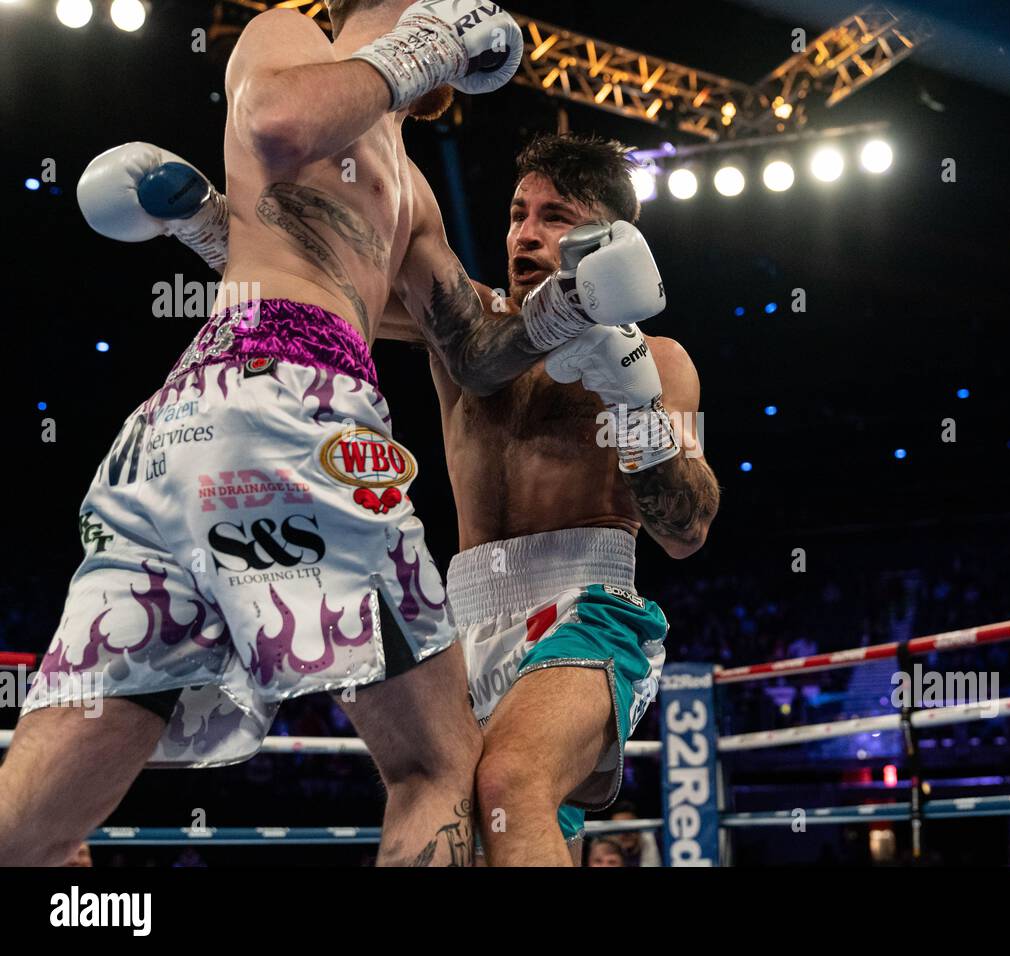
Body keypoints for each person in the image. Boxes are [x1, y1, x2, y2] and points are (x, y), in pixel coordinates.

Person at [0, 0, 632, 867]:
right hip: (296, 414)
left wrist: (572, 306)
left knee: (34, 824)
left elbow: (475, 354)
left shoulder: (410, 192)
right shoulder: (290, 36)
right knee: (439, 766)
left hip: (185, 436)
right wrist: (431, 42)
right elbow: (277, 118)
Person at [88, 129, 708, 866]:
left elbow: (686, 528)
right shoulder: (470, 326)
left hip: (588, 604)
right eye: (518, 213)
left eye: (556, 216)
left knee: (512, 782)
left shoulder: (660, 360)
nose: (525, 234)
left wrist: (634, 406)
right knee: (472, 826)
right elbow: (320, 276)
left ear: (610, 237)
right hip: (466, 613)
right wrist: (199, 218)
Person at [609, 800, 660, 866]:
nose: (625, 834)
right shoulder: (606, 848)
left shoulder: (656, 841)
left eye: (630, 827)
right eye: (619, 829)